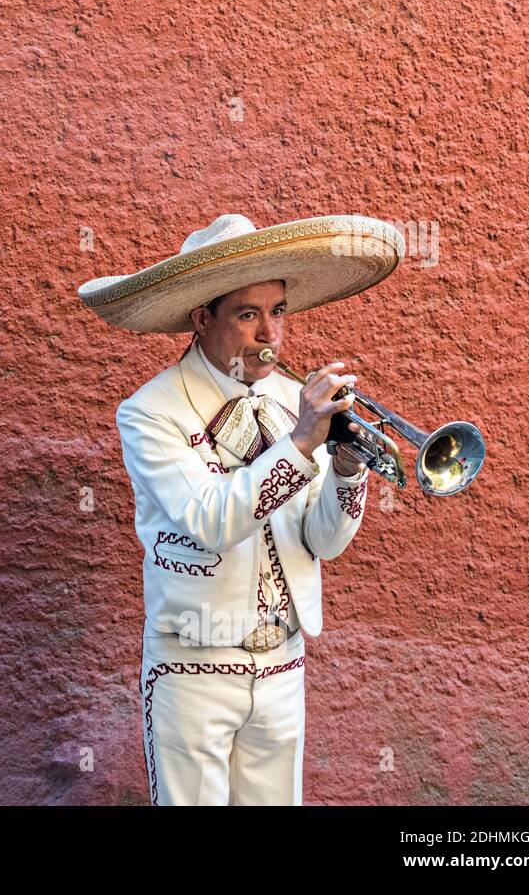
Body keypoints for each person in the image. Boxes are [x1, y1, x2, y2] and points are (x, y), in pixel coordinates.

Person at [78, 212, 403, 805]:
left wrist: (347, 474)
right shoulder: (151, 412)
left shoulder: (293, 401)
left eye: (277, 312)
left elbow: (322, 542)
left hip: (283, 662)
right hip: (192, 668)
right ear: (203, 319)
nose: (269, 336)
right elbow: (212, 521)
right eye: (248, 315)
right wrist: (303, 443)